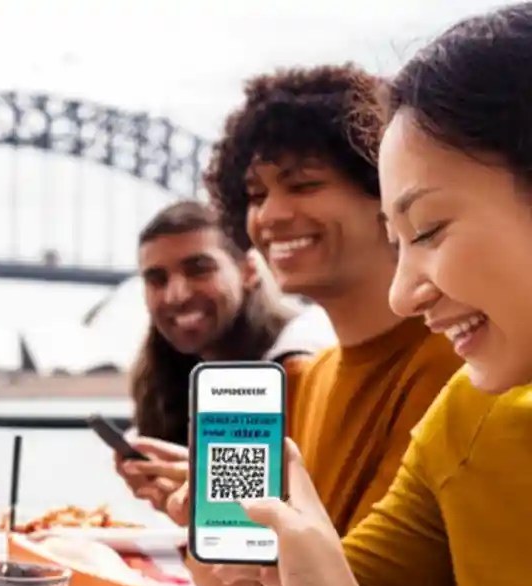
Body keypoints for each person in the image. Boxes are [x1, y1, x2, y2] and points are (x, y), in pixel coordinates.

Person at [224, 5, 532, 586]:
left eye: (428, 229)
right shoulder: (470, 411)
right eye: (399, 240)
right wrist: (269, 551)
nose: (403, 294)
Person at [122, 65, 461, 534]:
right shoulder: (293, 383)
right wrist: (206, 515)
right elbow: (245, 585)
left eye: (304, 185)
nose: (271, 215)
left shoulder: (450, 370)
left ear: (385, 191)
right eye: (255, 195)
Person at [127, 199, 331, 449]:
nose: (176, 295)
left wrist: (191, 482)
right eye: (157, 280)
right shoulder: (164, 382)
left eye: (199, 270)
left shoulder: (301, 359)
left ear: (249, 271)